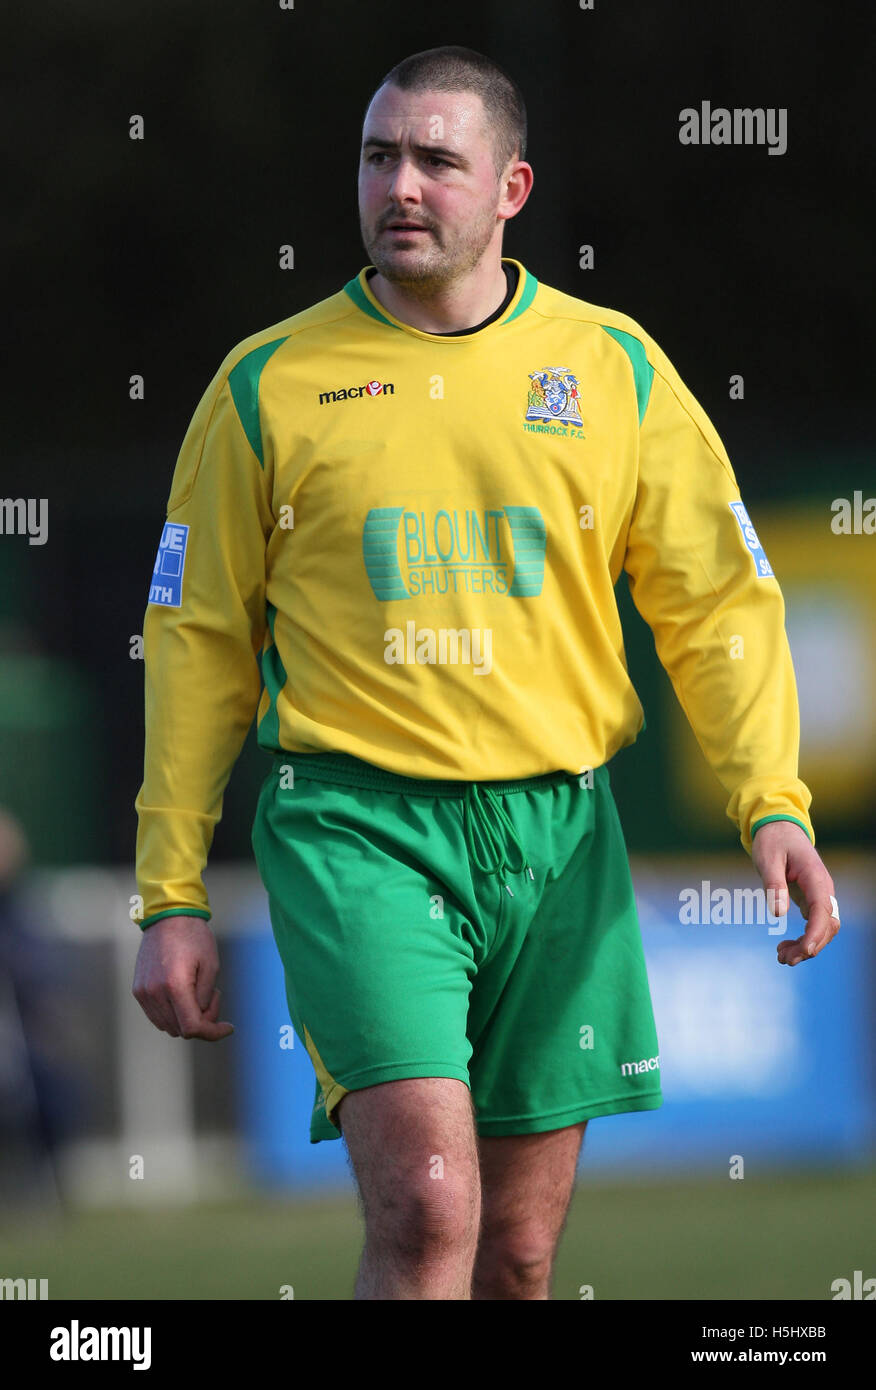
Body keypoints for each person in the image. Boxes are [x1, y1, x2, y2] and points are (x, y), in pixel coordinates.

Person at [132, 45, 839, 1300]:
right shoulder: (265, 387)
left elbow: (716, 600)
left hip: (561, 834)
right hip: (358, 827)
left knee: (516, 1255)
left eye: (435, 161)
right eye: (378, 157)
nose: (400, 186)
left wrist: (768, 799)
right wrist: (170, 888)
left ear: (511, 188)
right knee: (428, 1212)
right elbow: (193, 642)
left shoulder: (613, 368)